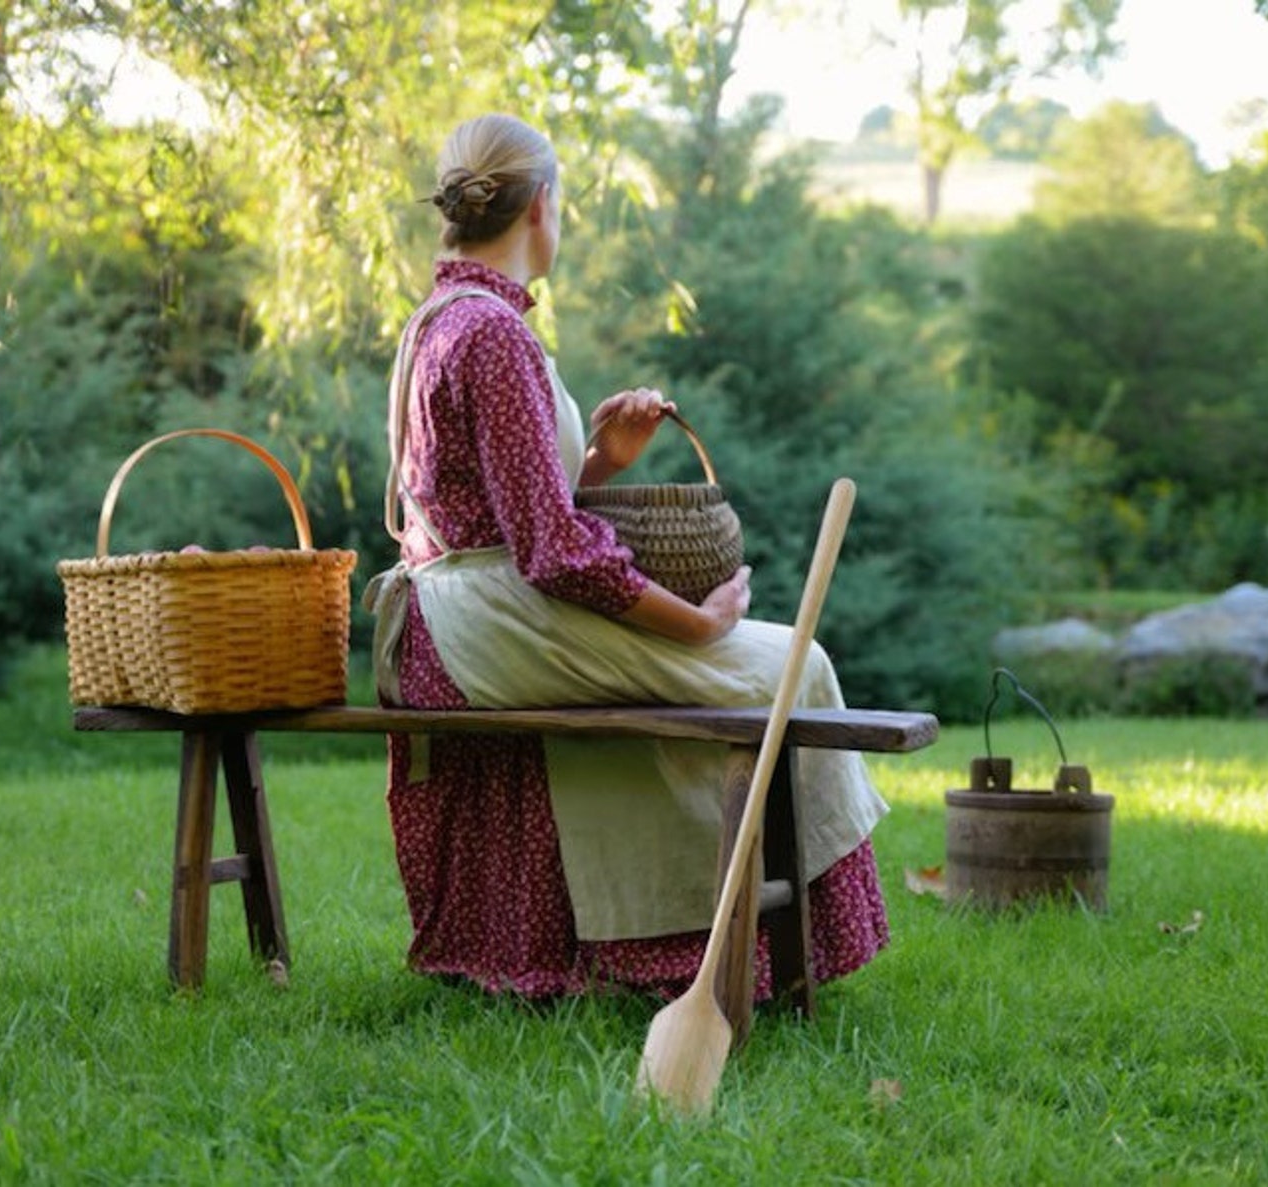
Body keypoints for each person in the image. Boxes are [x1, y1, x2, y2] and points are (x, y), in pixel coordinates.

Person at [364, 113, 888, 1000]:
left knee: (761, 664)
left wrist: (605, 461)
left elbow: (509, 513)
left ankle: (617, 953)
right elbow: (555, 552)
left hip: (452, 620)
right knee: (790, 665)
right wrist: (697, 623)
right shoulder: (491, 334)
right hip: (483, 625)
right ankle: (764, 947)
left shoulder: (442, 320)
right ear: (542, 208)